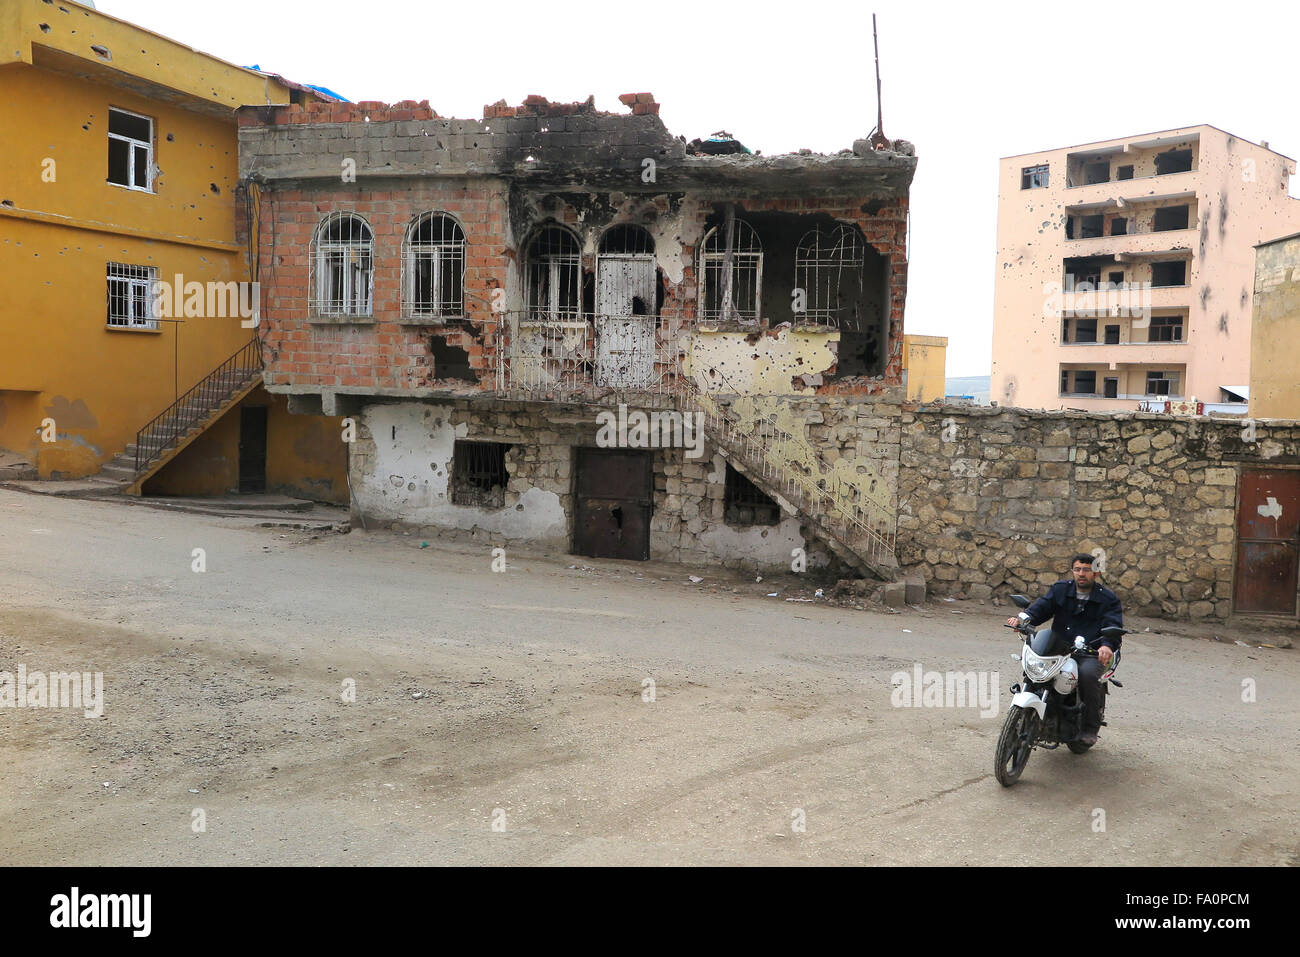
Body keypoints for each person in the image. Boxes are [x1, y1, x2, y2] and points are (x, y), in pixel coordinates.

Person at [1004, 553, 1123, 746]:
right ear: (1072, 571)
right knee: (1034, 670)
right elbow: (1042, 607)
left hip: (1089, 651)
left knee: (1087, 676)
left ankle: (1089, 727)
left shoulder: (1108, 599)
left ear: (1096, 573)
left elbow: (1113, 624)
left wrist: (1106, 645)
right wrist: (1023, 619)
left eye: (1086, 569)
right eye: (1077, 569)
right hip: (1059, 647)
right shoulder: (1060, 590)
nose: (1081, 573)